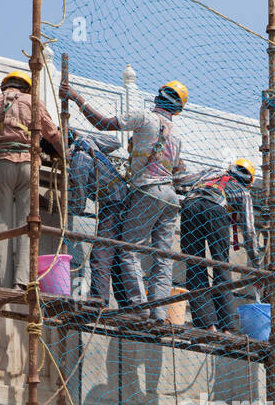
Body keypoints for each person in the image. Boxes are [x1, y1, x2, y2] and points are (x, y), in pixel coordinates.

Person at [61, 79, 189, 315]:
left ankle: (140, 308)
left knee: (129, 250)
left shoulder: (144, 117)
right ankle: (160, 315)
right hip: (170, 197)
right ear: (178, 109)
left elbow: (102, 124)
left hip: (147, 191)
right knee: (163, 256)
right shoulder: (178, 135)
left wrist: (76, 97)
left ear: (159, 95)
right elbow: (179, 169)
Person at [0, 70, 63, 290]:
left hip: (2, 164)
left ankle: (1, 284)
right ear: (26, 88)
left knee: (0, 225)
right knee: (27, 224)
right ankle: (21, 281)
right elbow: (53, 134)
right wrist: (66, 156)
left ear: (5, 86)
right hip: (28, 167)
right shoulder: (34, 102)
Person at [179, 159, 259, 331]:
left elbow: (182, 179)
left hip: (190, 205)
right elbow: (249, 232)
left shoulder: (211, 172)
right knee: (221, 266)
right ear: (249, 181)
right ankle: (227, 327)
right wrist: (257, 264)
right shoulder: (243, 192)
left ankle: (208, 325)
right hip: (216, 210)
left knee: (194, 264)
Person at [65, 126, 126, 302]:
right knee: (116, 257)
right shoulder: (88, 142)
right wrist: (81, 134)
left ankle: (99, 300)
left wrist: (62, 203)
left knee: (100, 253)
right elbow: (115, 141)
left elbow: (78, 206)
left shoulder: (78, 161)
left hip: (114, 203)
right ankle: (124, 303)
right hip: (120, 199)